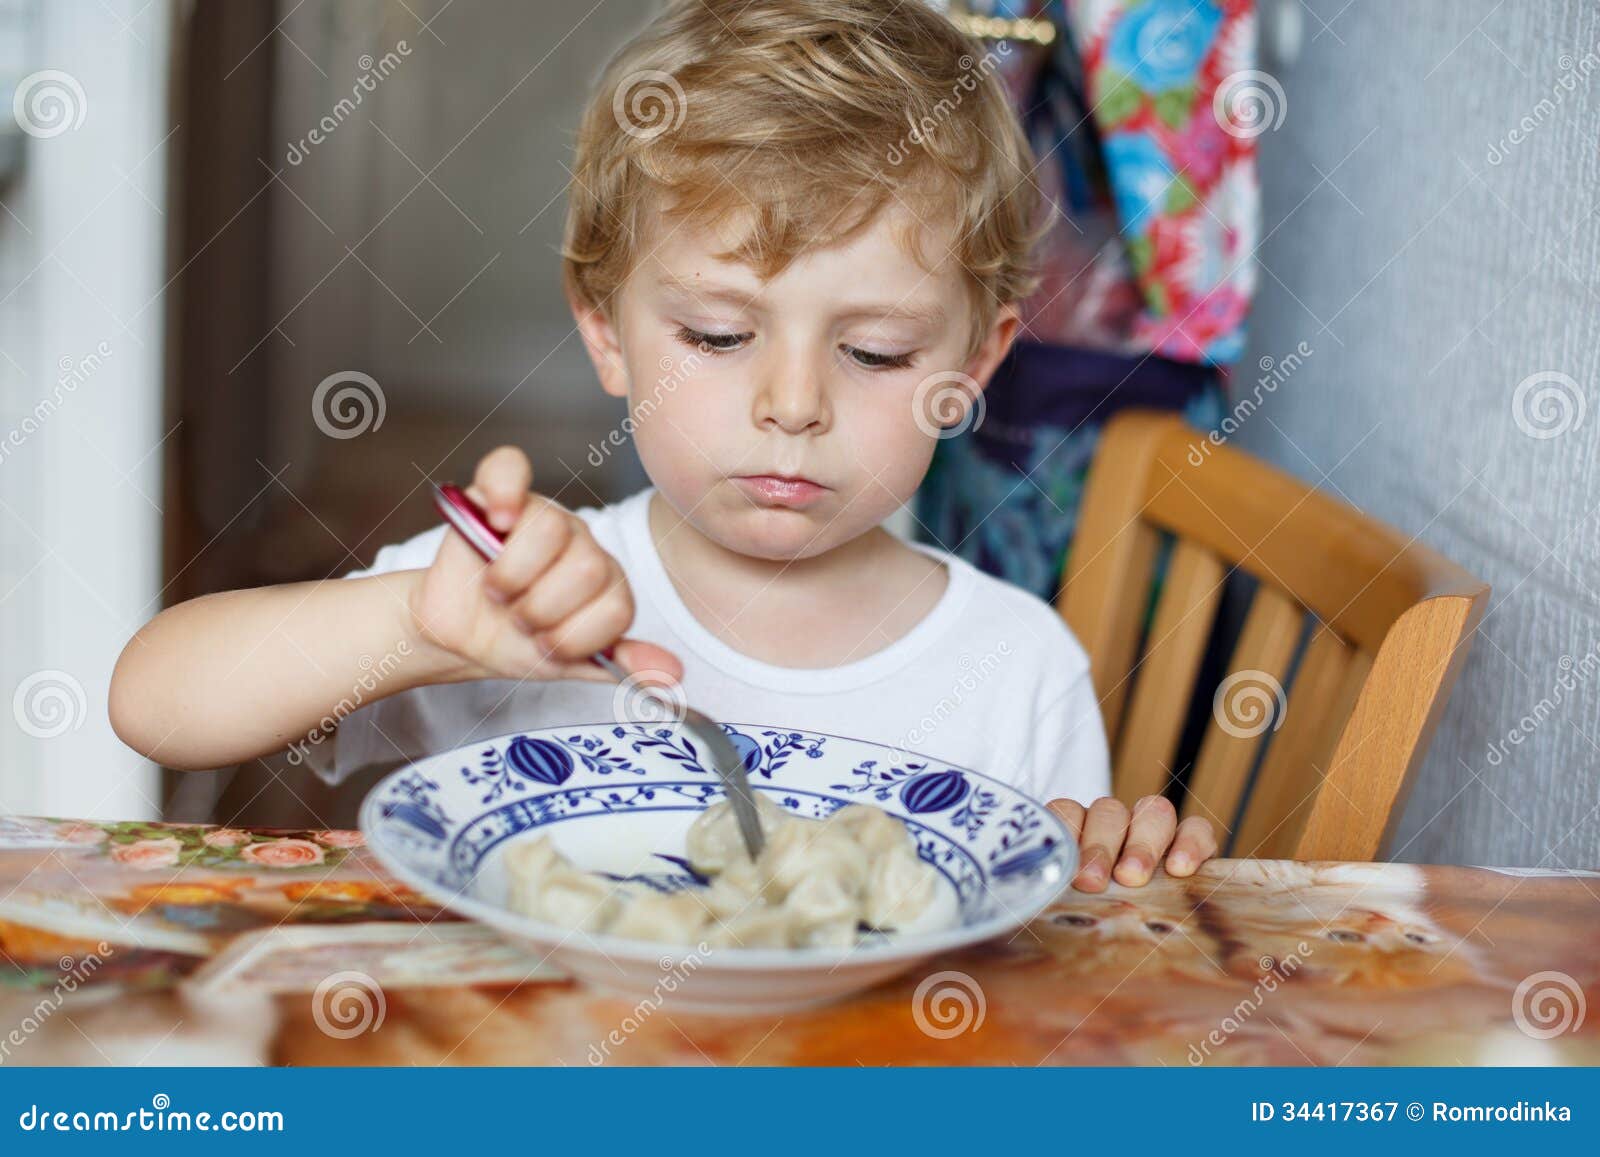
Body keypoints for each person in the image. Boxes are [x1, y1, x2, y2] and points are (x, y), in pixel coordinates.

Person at [110, 0, 1216, 893]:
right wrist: (409, 626)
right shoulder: (528, 601)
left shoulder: (1019, 668)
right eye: (719, 335)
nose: (792, 403)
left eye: (874, 352)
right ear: (608, 335)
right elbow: (156, 702)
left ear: (971, 367)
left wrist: (1104, 870)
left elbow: (1041, 966)